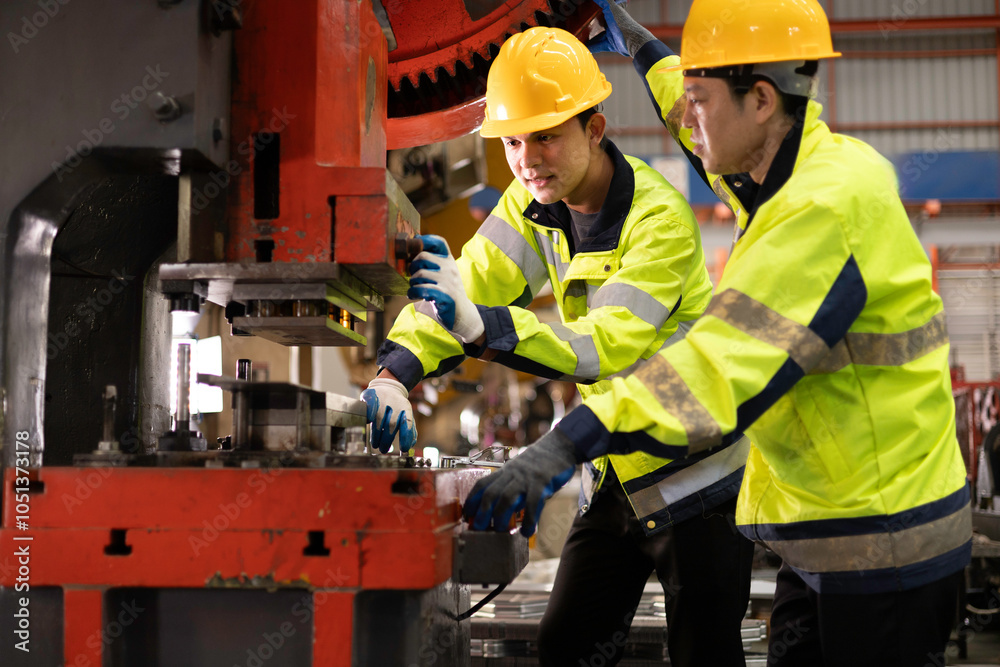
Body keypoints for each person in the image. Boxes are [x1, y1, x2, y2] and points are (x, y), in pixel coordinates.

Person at [463, 2, 972, 665]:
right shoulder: (771, 171)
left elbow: (711, 368)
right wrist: (642, 45)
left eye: (699, 103)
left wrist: (563, 444)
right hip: (819, 530)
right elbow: (689, 105)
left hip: (885, 541)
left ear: (761, 99)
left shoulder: (822, 205)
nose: (682, 122)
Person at [363, 26, 754, 667]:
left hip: (699, 482)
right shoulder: (532, 203)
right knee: (566, 646)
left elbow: (605, 348)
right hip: (617, 473)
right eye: (513, 141)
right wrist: (394, 373)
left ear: (595, 129)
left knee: (703, 655)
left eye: (545, 135)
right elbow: (464, 288)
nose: (526, 159)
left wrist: (484, 326)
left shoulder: (658, 220)